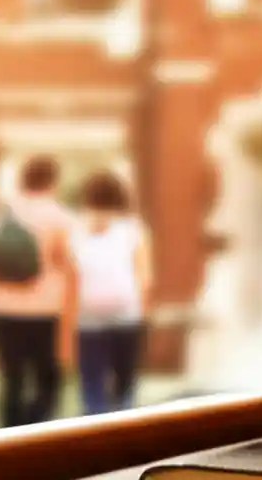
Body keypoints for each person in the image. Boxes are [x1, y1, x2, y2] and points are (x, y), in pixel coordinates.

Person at [0, 155, 77, 427]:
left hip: (4, 309)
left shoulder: (3, 215)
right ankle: (36, 434)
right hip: (45, 311)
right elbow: (68, 264)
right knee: (47, 380)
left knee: (12, 380)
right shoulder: (58, 216)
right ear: (53, 181)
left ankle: (8, 441)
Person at [72, 171, 152, 415]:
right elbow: (145, 277)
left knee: (92, 383)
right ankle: (124, 435)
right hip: (127, 315)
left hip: (89, 317)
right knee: (124, 385)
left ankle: (93, 436)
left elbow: (72, 275)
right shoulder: (133, 230)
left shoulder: (78, 230)